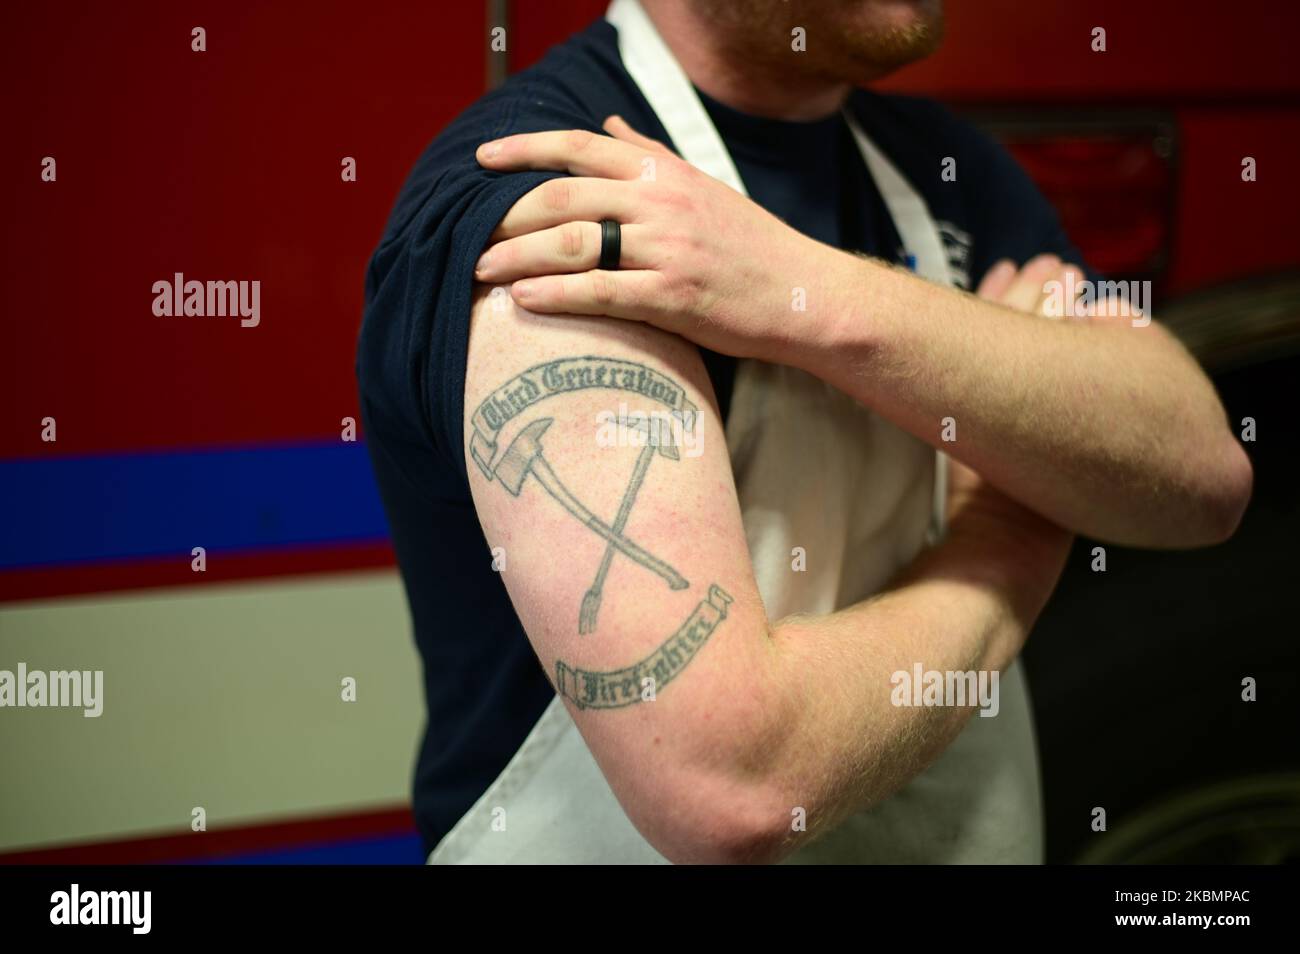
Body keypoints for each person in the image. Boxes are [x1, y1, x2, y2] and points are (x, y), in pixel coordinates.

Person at [357, 0, 1251, 864]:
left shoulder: (942, 168)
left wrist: (799, 286)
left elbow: (1206, 476)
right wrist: (1010, 536)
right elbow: (732, 786)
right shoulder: (554, 201)